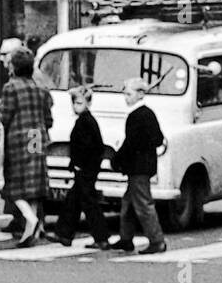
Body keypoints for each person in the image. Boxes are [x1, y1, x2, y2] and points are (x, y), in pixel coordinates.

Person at [0, 47, 53, 248]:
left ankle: (30, 219)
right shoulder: (41, 88)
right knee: (34, 184)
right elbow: (48, 118)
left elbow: (5, 117)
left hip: (18, 138)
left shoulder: (11, 87)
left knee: (15, 184)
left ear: (13, 67)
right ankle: (33, 227)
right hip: (37, 136)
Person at [106, 78, 167, 254]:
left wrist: (117, 160)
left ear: (140, 94)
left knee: (142, 204)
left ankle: (157, 241)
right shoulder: (149, 113)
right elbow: (158, 138)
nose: (126, 98)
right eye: (125, 94)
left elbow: (130, 143)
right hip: (145, 165)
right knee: (129, 202)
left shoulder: (136, 116)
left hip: (138, 167)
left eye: (129, 94)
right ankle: (126, 238)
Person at [52, 86, 111, 250]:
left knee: (88, 202)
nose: (75, 106)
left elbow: (88, 147)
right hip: (87, 168)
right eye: (74, 103)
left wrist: (79, 164)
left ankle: (101, 237)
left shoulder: (86, 122)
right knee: (73, 200)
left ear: (88, 103)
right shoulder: (85, 121)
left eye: (79, 103)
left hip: (85, 168)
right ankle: (64, 234)